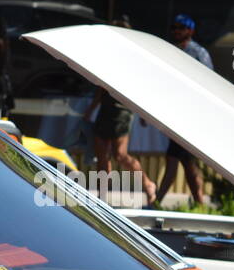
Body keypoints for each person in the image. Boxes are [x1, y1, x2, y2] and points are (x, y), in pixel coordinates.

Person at [84, 16, 156, 204]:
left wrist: (142, 113)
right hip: (106, 107)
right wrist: (92, 108)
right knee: (101, 154)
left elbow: (138, 88)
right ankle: (102, 196)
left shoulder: (133, 59)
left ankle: (147, 184)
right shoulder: (107, 56)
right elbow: (101, 86)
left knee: (120, 155)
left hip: (122, 109)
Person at [153, 14, 213, 206]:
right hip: (177, 115)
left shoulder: (199, 53)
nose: (176, 31)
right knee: (186, 163)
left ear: (190, 31)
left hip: (192, 117)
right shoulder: (171, 51)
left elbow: (208, 82)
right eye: (174, 27)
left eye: (180, 27)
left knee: (175, 160)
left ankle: (157, 201)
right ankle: (199, 204)